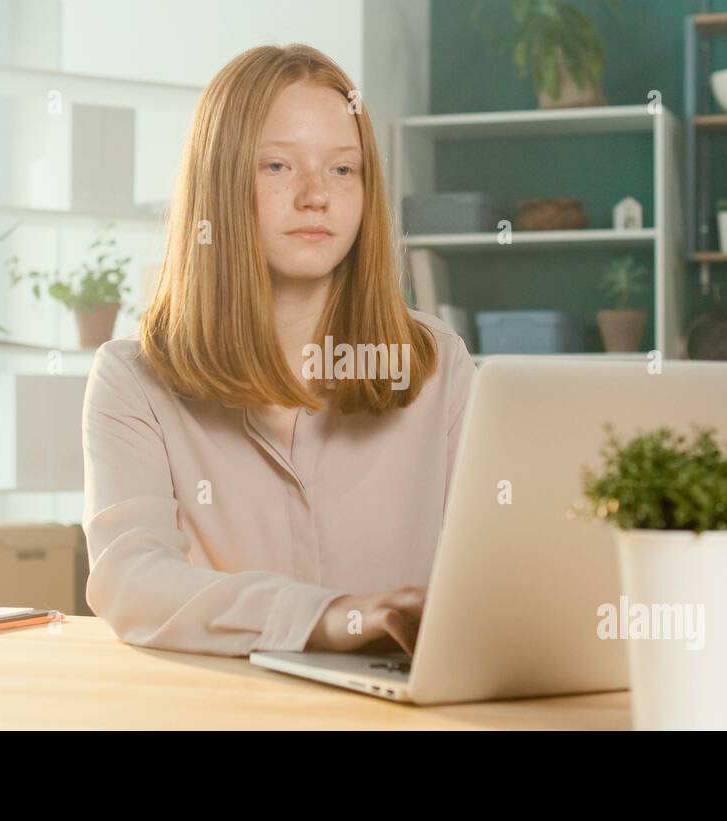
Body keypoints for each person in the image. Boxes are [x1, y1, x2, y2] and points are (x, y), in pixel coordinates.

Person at [82, 43, 475, 658]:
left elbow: (496, 563)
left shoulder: (438, 364)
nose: (317, 195)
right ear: (220, 184)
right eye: (278, 167)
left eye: (343, 169)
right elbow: (129, 580)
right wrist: (326, 618)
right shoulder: (132, 380)